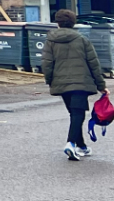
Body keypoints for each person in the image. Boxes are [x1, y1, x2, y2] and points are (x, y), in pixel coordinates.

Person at [40, 9, 105, 160]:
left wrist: (50, 80)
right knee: (78, 114)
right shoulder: (82, 40)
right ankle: (70, 143)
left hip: (61, 82)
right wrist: (101, 84)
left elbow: (47, 63)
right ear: (73, 22)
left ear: (57, 23)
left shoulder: (50, 41)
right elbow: (94, 63)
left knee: (74, 114)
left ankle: (81, 146)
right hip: (81, 83)